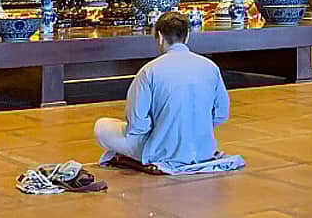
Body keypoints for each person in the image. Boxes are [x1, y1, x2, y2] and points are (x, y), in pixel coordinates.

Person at [94, 11, 230, 167]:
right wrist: (194, 124)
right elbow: (222, 114)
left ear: (159, 36)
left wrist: (162, 128)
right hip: (203, 149)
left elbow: (137, 125)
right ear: (187, 37)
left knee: (102, 126)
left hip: (160, 150)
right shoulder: (210, 67)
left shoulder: (149, 71)